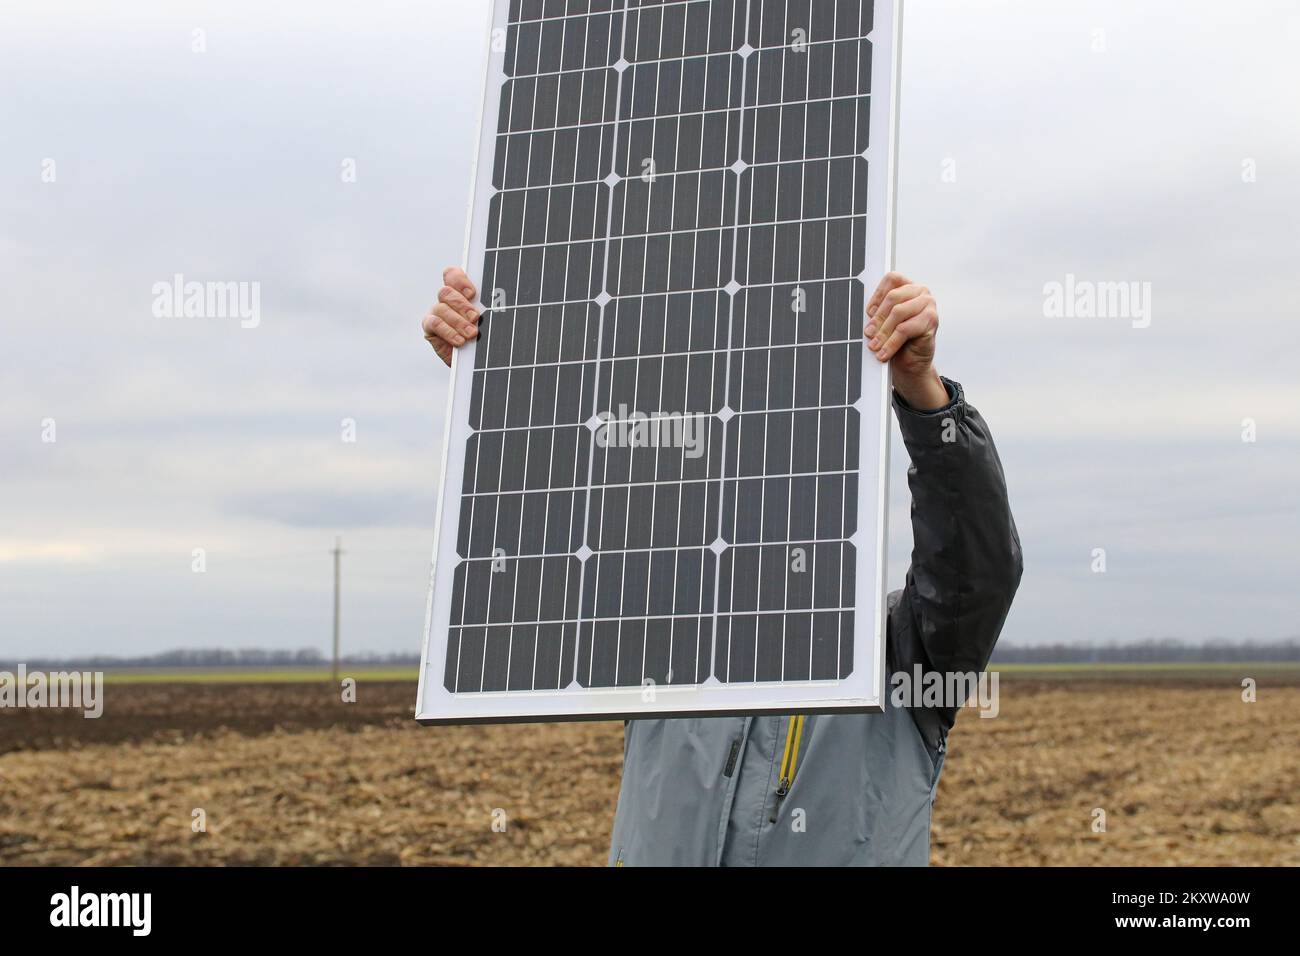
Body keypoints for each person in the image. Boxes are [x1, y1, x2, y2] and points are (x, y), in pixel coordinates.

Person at [423, 267, 1022, 866]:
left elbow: (977, 566)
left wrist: (922, 391)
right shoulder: (666, 629)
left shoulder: (898, 655)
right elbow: (551, 540)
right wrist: (489, 382)